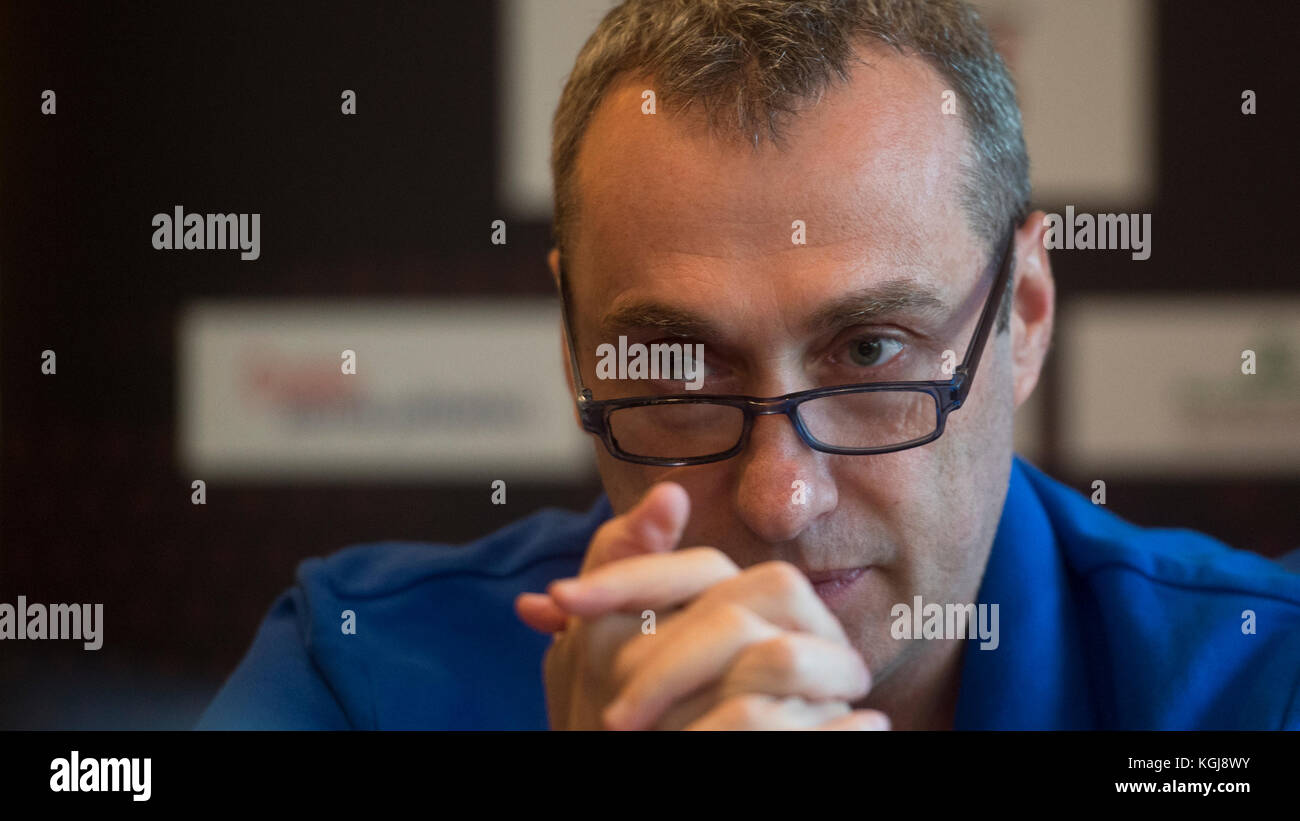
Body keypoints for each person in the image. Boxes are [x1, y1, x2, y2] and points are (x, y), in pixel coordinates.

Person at [197, 0, 1300, 731]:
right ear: (574, 341)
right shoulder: (361, 675)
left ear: (1024, 312)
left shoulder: (1258, 683)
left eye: (870, 352)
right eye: (680, 368)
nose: (781, 496)